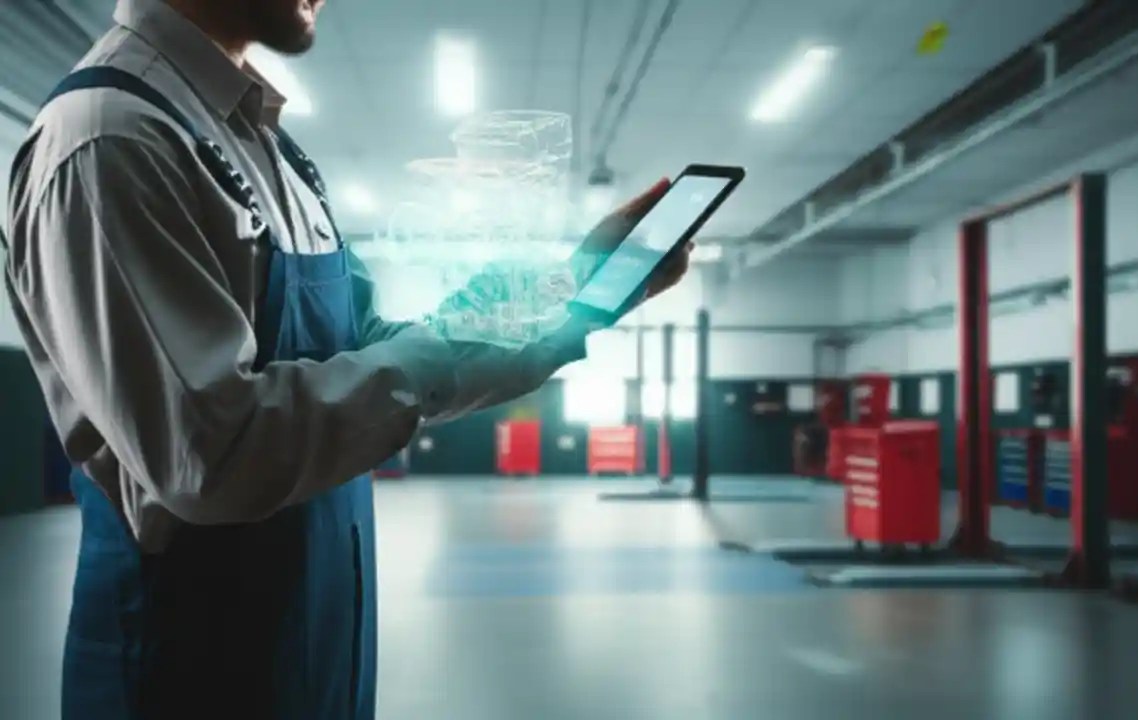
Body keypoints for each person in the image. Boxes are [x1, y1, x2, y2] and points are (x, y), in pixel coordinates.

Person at [2, 0, 690, 717]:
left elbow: (379, 348)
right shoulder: (112, 140)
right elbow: (211, 456)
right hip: (189, 673)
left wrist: (576, 291)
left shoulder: (272, 149)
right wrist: (427, 362)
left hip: (317, 655)